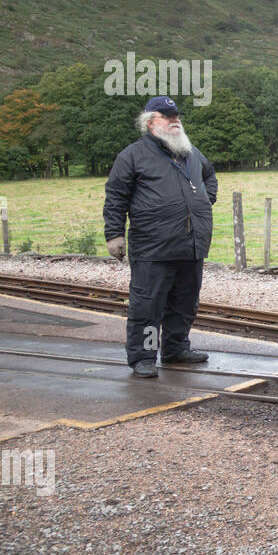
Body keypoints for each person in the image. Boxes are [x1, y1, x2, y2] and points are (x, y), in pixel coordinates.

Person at [103, 96, 218, 377]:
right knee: (149, 306)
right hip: (153, 246)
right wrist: (114, 234)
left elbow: (209, 177)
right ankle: (144, 356)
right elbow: (116, 197)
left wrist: (203, 201)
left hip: (191, 244)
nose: (175, 120)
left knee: (185, 302)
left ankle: (176, 349)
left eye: (177, 115)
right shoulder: (132, 155)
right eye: (168, 116)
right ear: (151, 122)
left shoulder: (191, 152)